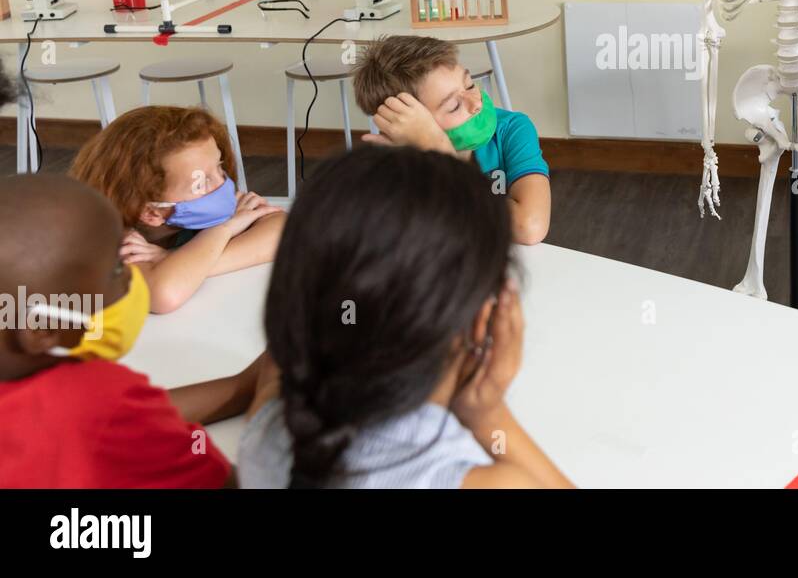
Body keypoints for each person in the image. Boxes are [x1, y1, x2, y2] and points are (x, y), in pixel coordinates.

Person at [239, 146, 573, 488]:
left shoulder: (265, 432)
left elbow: (279, 366)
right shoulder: (479, 482)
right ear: (483, 321)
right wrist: (489, 416)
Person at [0, 173, 263, 487]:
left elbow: (106, 416)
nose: (130, 277)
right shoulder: (99, 398)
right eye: (115, 268)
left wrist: (243, 385)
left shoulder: (84, 406)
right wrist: (271, 391)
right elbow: (236, 482)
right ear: (43, 329)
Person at [71, 105, 284, 313]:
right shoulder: (120, 239)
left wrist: (171, 257)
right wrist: (224, 230)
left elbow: (285, 232)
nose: (223, 184)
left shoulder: (208, 214)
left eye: (219, 167)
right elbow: (164, 295)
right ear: (152, 213)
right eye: (201, 183)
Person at [352, 36, 550, 245]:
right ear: (405, 123)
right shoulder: (397, 161)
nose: (476, 103)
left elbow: (530, 227)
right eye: (454, 106)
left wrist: (441, 150)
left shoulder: (511, 129)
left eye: (470, 84)